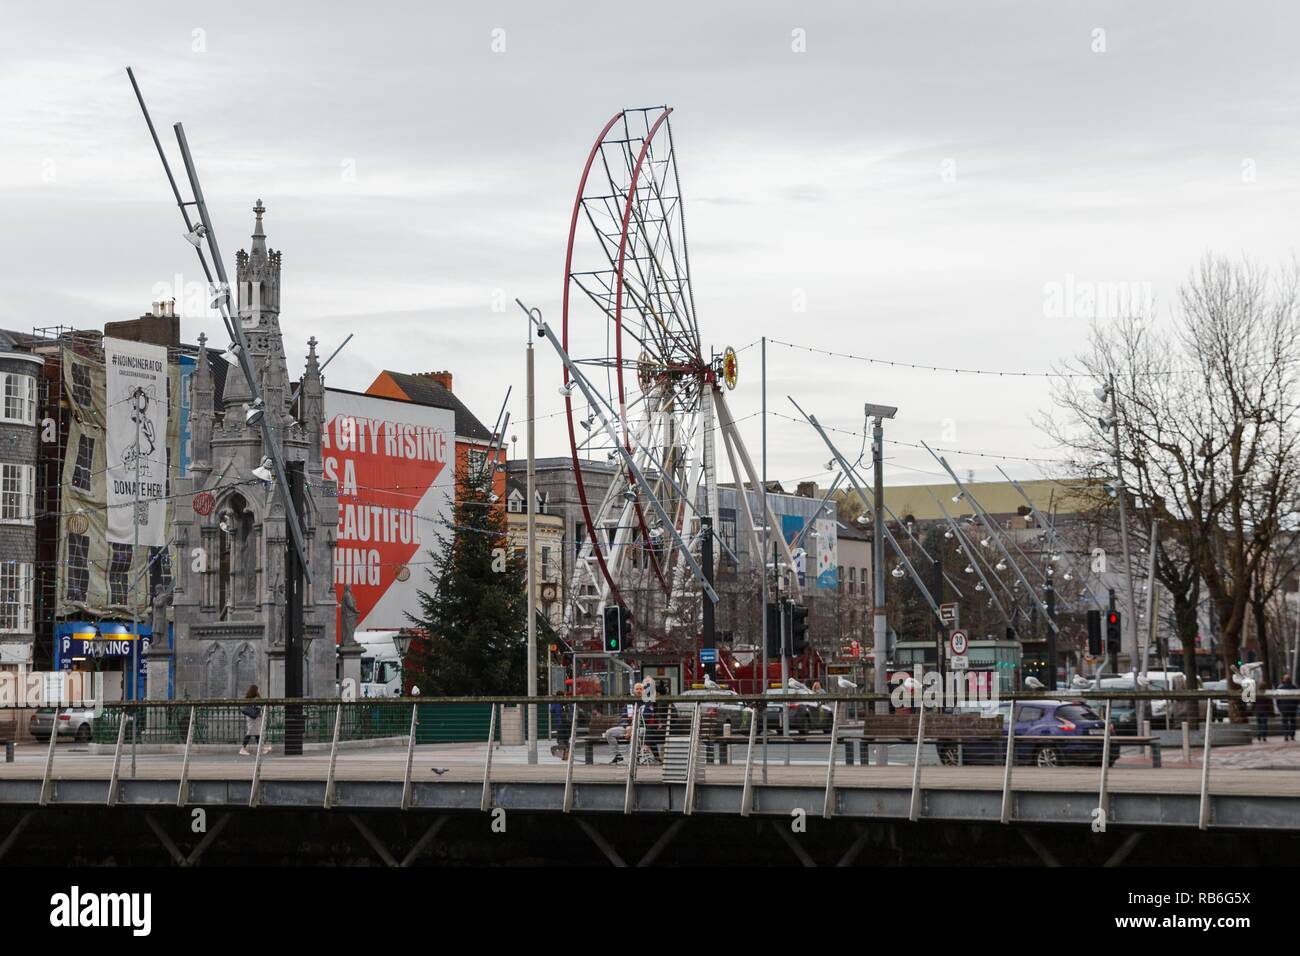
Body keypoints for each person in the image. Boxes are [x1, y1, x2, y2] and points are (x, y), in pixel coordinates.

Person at [603, 683, 642, 763]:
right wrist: (627, 726)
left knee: (636, 733)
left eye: (640, 689)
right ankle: (618, 756)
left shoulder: (646, 702)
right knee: (609, 733)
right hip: (627, 728)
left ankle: (636, 757)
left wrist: (633, 727)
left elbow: (646, 718)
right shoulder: (629, 703)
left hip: (640, 727)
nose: (638, 691)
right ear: (634, 691)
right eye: (637, 689)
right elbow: (624, 716)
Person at [240, 685, 271, 756]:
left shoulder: (248, 698)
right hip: (254, 717)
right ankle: (243, 748)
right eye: (257, 690)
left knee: (257, 733)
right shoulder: (256, 698)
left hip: (251, 717)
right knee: (251, 732)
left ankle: (261, 748)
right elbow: (258, 706)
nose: (258, 691)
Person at [549, 691, 573, 760]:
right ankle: (567, 754)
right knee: (565, 740)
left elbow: (551, 710)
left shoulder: (557, 703)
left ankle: (566, 752)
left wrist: (553, 700)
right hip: (569, 725)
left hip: (561, 725)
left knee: (560, 740)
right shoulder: (568, 703)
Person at [1278, 673, 1298, 742]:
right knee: (1293, 722)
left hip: (1284, 708)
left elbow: (1278, 699)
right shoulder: (1294, 687)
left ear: (1284, 680)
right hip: (1293, 708)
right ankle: (1292, 735)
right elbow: (1297, 699)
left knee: (1285, 722)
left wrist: (1279, 708)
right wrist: (1296, 706)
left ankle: (1286, 735)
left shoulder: (1280, 688)